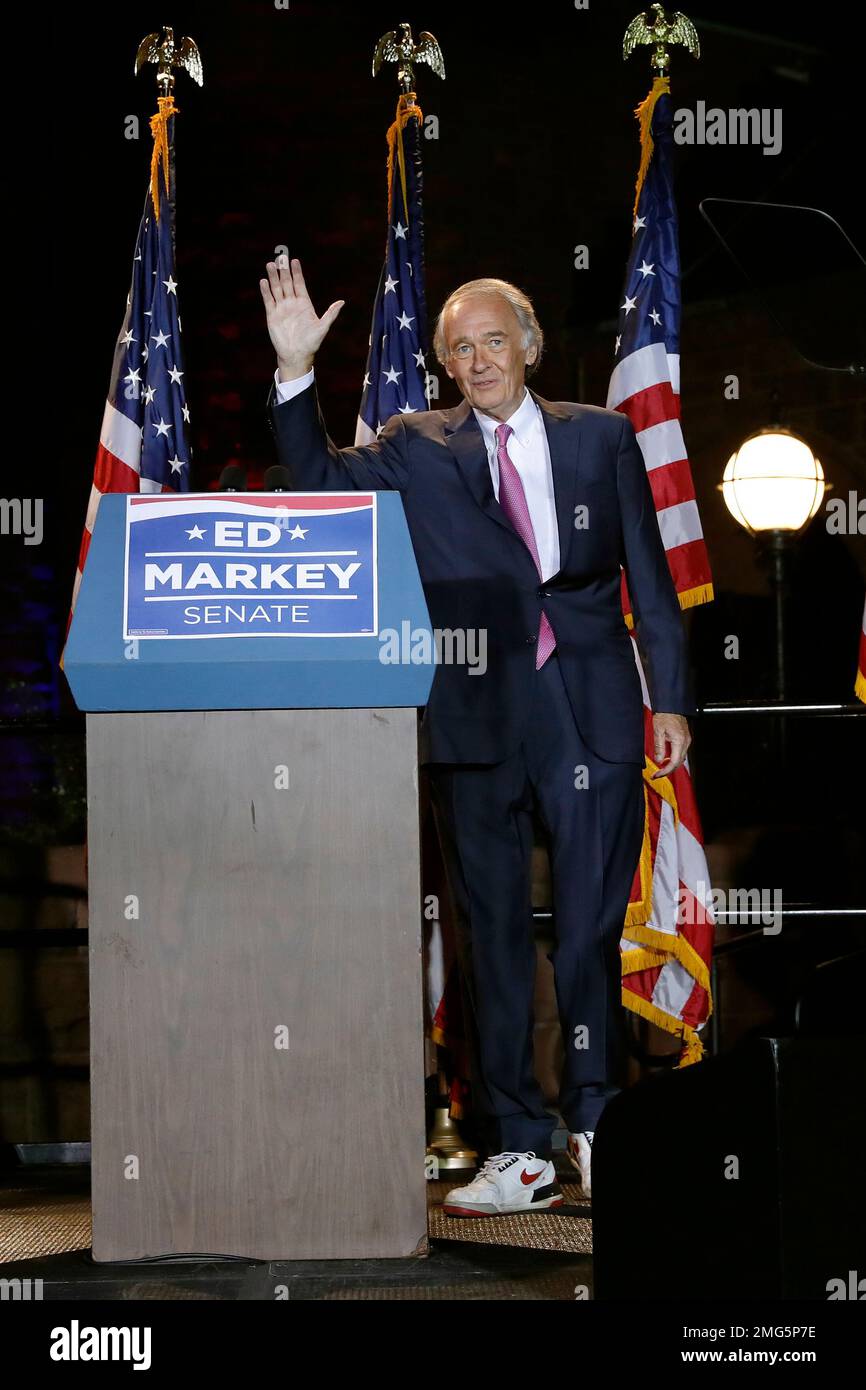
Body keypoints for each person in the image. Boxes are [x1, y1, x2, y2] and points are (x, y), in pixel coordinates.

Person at [261, 258, 694, 1215]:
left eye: (494, 340)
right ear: (447, 364)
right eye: (460, 347)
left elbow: (649, 578)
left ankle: (595, 1124)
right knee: (490, 936)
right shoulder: (419, 445)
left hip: (592, 708)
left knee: (585, 929)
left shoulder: (604, 438)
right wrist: (296, 372)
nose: (478, 359)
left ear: (529, 348)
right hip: (474, 712)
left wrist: (671, 701)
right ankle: (520, 1148)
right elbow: (321, 480)